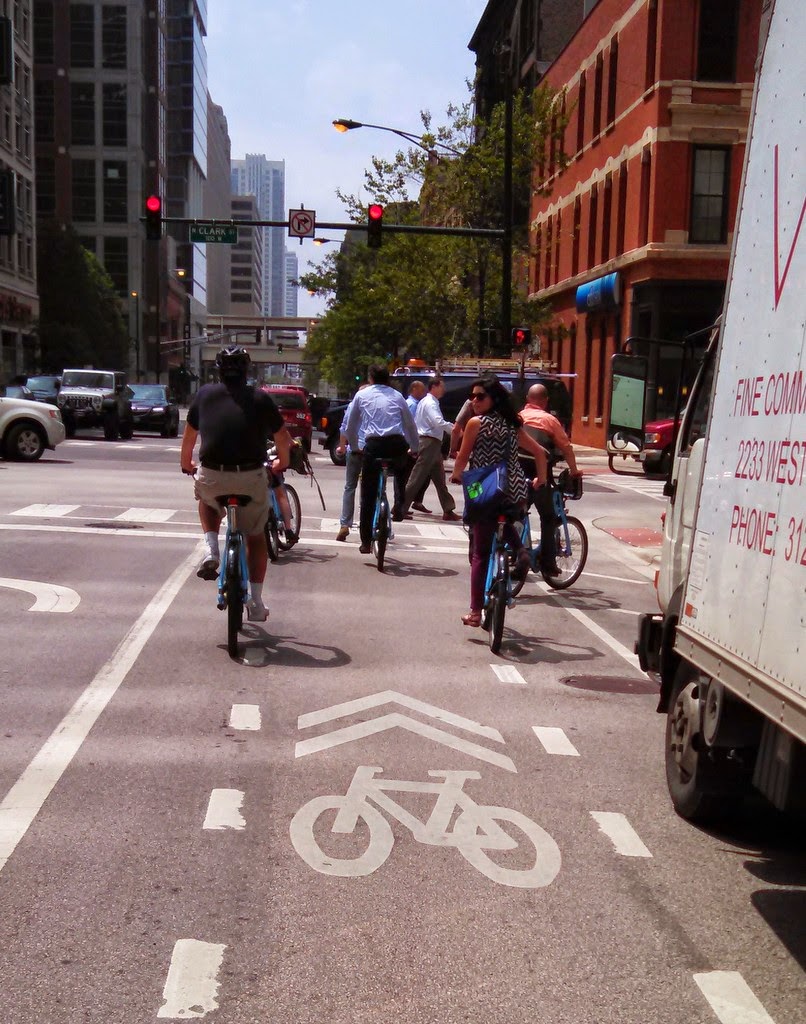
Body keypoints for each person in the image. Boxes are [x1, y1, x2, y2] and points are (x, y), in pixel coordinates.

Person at [180, 345, 292, 622]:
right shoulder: (260, 398)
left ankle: (212, 549)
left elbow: (190, 436)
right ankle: (255, 601)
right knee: (256, 537)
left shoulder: (204, 395)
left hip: (212, 475)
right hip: (250, 476)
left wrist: (186, 465)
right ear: (247, 370)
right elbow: (282, 437)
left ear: (219, 369)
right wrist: (282, 463)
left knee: (205, 501)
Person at [450, 377, 548, 628]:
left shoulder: (475, 423)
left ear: (493, 399)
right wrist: (541, 479)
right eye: (472, 396)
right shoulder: (512, 425)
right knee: (504, 519)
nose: (474, 401)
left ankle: (474, 612)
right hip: (513, 488)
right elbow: (539, 451)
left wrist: (456, 474)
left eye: (480, 396)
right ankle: (521, 551)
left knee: (480, 553)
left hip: (483, 487)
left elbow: (462, 457)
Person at [344, 364, 419, 554]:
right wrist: (415, 448)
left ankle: (366, 542)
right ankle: (400, 504)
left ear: (370, 378)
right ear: (388, 379)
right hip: (396, 444)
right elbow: (410, 426)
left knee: (368, 495)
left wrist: (354, 448)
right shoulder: (397, 396)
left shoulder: (362, 395)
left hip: (374, 445)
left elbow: (351, 427)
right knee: (404, 468)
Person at [518, 383, 582, 576]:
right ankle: (547, 562)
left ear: (528, 400)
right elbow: (566, 447)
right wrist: (574, 470)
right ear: (545, 402)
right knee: (548, 517)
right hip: (539, 473)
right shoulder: (549, 420)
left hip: (515, 473)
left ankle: (516, 551)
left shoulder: (519, 417)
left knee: (518, 512)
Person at [402, 375, 461, 521]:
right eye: (442, 386)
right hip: (429, 443)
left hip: (433, 444)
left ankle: (448, 509)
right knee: (417, 477)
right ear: (434, 386)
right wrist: (454, 430)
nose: (444, 390)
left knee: (440, 479)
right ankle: (400, 507)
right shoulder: (430, 403)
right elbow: (437, 422)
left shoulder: (428, 402)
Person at [334, 384, 369, 542]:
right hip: (370, 450)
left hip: (354, 450)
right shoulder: (372, 405)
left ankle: (345, 525)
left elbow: (345, 428)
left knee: (350, 487)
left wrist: (342, 446)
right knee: (370, 489)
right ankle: (370, 524)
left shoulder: (351, 406)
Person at [404, 381, 432, 513]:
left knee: (419, 475)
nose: (424, 392)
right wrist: (412, 446)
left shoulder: (415, 404)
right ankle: (404, 504)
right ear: (414, 389)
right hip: (411, 445)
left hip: (414, 444)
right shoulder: (411, 405)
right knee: (413, 476)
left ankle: (414, 501)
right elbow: (409, 427)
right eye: (421, 390)